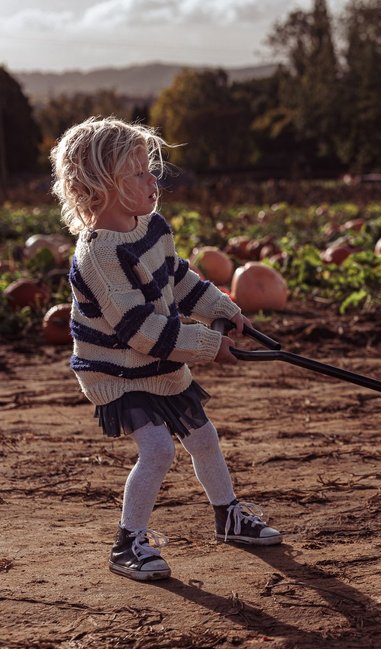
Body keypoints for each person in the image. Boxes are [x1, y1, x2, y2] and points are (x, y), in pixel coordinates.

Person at [50, 117, 281, 582]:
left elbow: (178, 278)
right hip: (117, 370)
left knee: (203, 437)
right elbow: (139, 330)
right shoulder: (99, 255)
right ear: (101, 185)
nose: (152, 180)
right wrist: (208, 345)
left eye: (149, 169)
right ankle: (128, 543)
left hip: (160, 359)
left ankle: (229, 516)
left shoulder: (151, 227)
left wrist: (223, 309)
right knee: (158, 450)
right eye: (137, 173)